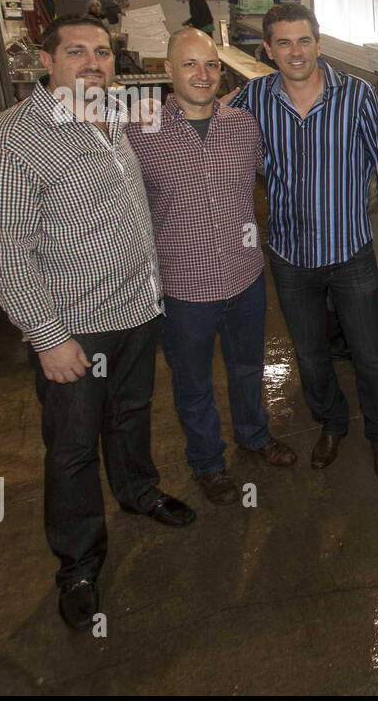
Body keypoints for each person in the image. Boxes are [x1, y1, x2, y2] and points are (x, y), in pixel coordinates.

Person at [0, 14, 195, 632]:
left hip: (136, 310)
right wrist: (47, 338)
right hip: (74, 327)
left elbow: (194, 102)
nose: (93, 62)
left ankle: (138, 491)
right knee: (71, 448)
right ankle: (77, 561)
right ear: (48, 62)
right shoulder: (12, 139)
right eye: (77, 52)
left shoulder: (116, 112)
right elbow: (4, 253)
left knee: (129, 415)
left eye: (101, 51)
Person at [229, 3, 378, 480]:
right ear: (267, 49)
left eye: (304, 40)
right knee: (309, 356)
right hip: (290, 257)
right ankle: (331, 422)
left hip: (351, 252)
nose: (295, 51)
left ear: (319, 43)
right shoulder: (254, 98)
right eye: (283, 42)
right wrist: (158, 112)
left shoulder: (358, 96)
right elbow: (207, 116)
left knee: (370, 354)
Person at [127, 29, 296, 506]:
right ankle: (207, 462)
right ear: (167, 70)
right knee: (192, 382)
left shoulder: (243, 126)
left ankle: (254, 434)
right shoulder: (139, 133)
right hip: (184, 289)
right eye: (190, 65)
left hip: (244, 278)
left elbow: (282, 176)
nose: (203, 75)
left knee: (247, 367)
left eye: (210, 65)